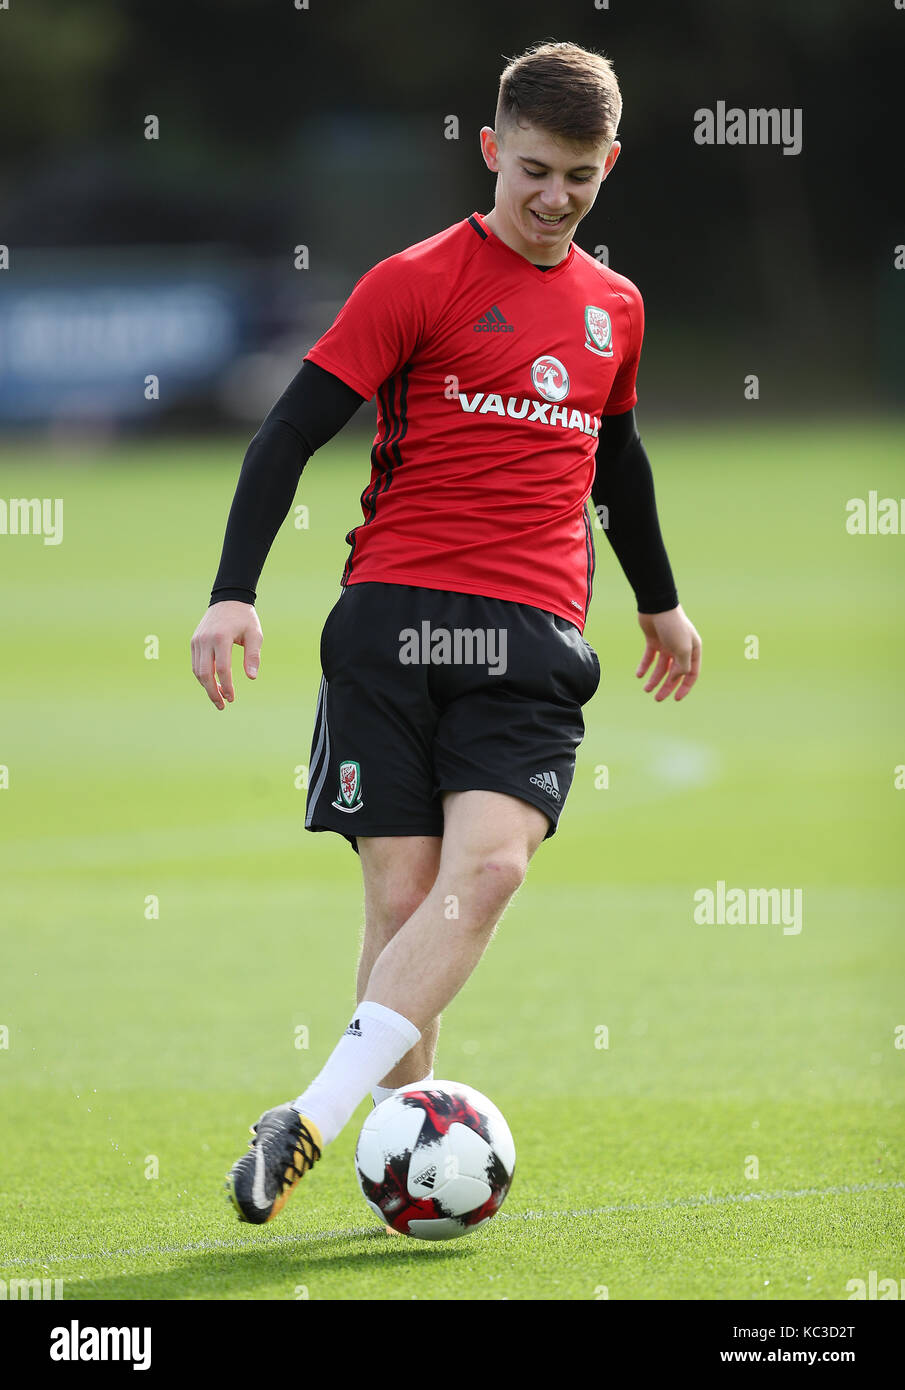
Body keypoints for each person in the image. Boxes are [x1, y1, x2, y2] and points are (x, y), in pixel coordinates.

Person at [191, 39, 702, 1225]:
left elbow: (612, 456)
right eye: (531, 170)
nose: (552, 198)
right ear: (489, 150)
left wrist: (656, 594)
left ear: (607, 164)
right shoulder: (412, 279)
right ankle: (399, 1175)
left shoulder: (612, 307)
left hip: (528, 639)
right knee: (404, 893)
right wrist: (233, 590)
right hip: (395, 622)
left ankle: (308, 1120)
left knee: (489, 872)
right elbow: (287, 433)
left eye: (578, 177)